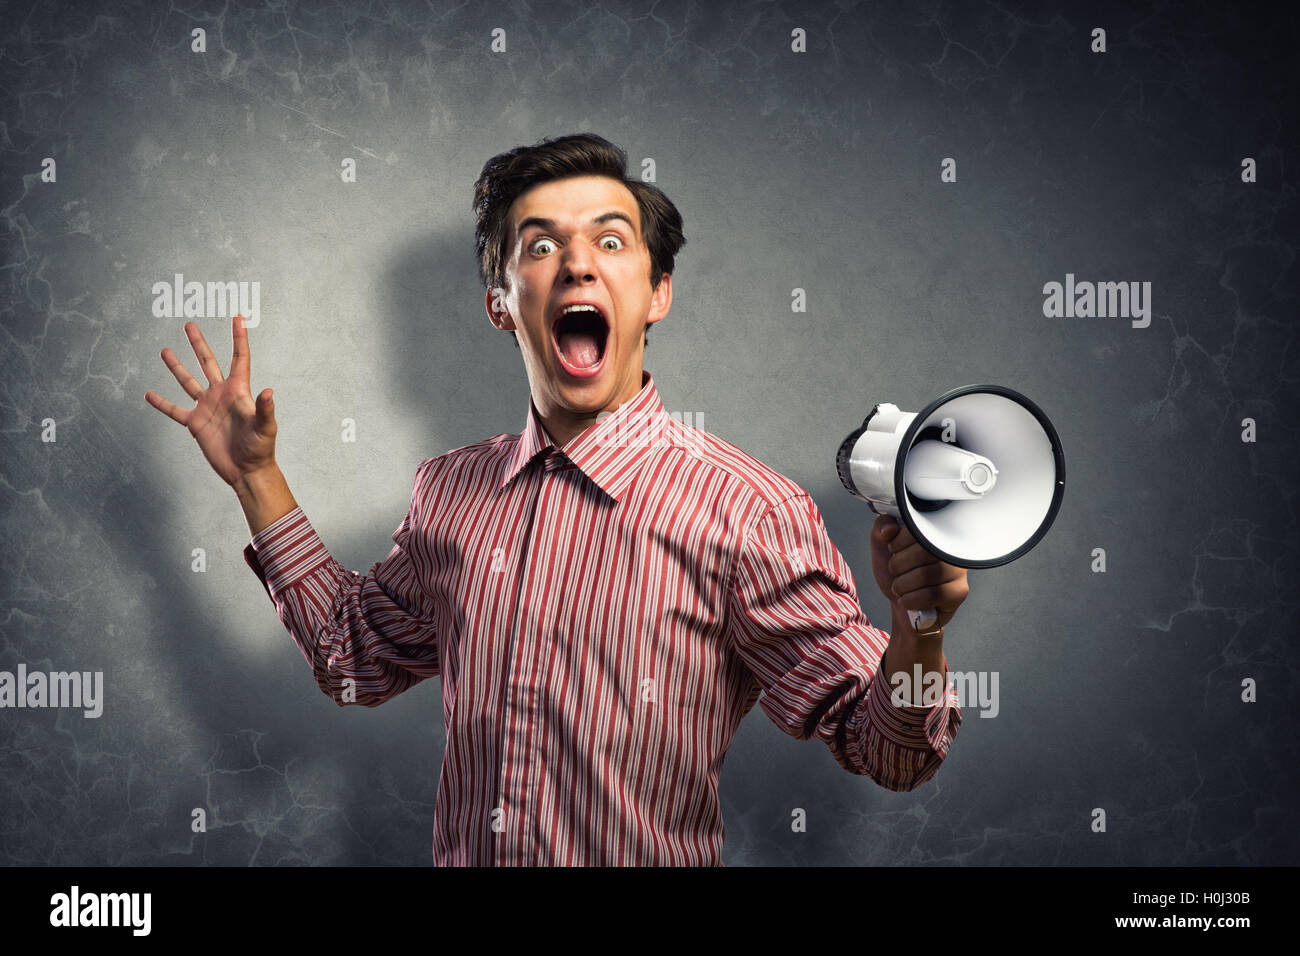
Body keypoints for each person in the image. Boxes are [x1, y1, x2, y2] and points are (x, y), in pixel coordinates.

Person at [145, 132, 971, 866]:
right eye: (540, 246)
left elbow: (891, 753)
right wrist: (257, 478)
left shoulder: (749, 510)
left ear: (657, 294)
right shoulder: (449, 492)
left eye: (611, 241)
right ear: (502, 304)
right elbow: (352, 661)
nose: (578, 262)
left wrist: (919, 629)